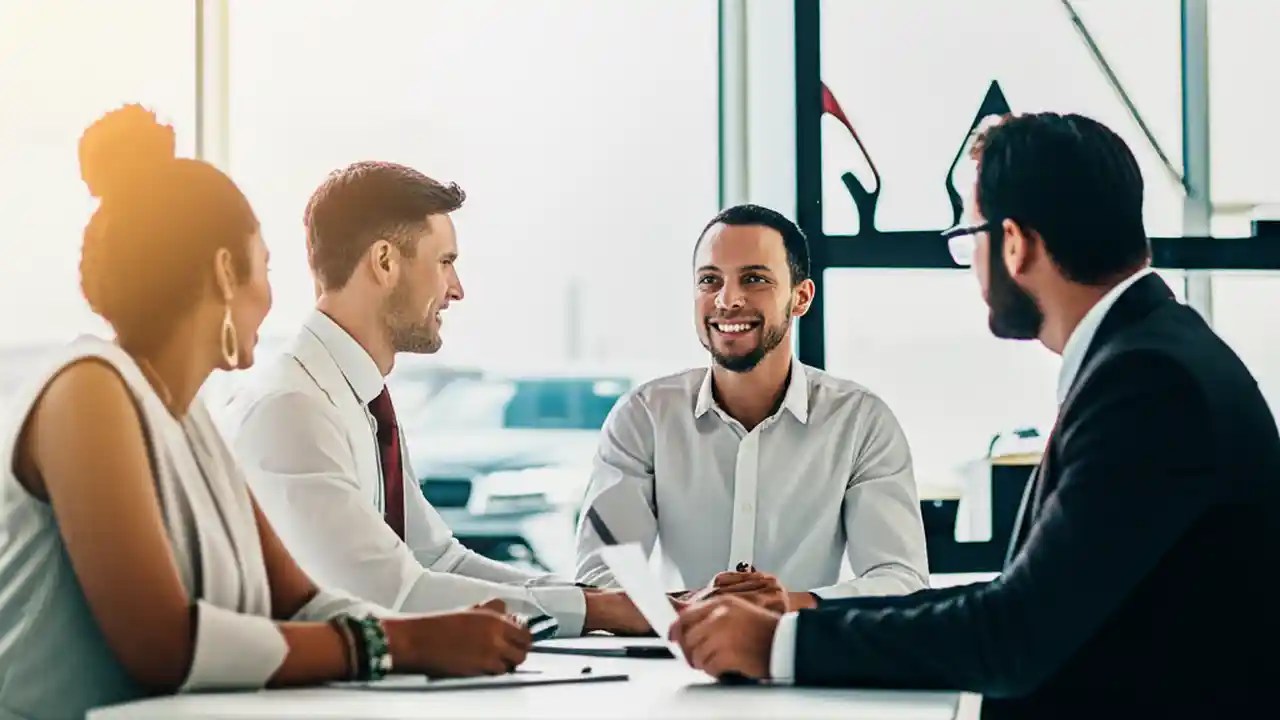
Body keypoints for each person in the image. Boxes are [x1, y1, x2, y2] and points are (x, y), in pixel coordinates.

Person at [669, 113, 1280, 716]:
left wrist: (777, 646)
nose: (970, 268)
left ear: (1015, 244)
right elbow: (1021, 597)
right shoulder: (1153, 353)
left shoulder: (1149, 384)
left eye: (968, 241)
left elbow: (1012, 634)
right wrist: (802, 614)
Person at [0, 107, 532, 720]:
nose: (274, 296)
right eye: (267, 265)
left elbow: (302, 602)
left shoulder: (188, 419)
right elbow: (165, 646)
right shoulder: (88, 393)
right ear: (227, 272)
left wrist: (451, 634)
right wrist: (403, 642)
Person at [223, 161, 648, 637]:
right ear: (385, 262)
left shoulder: (359, 398)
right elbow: (392, 594)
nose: (456, 289)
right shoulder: (292, 408)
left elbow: (437, 558)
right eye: (445, 262)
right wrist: (605, 612)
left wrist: (607, 602)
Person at [574, 204, 929, 611]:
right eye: (710, 280)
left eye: (754, 279)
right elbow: (598, 581)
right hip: (671, 663)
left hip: (806, 662)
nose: (727, 300)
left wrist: (786, 605)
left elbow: (901, 581)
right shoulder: (644, 417)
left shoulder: (861, 421)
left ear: (801, 297)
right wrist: (694, 608)